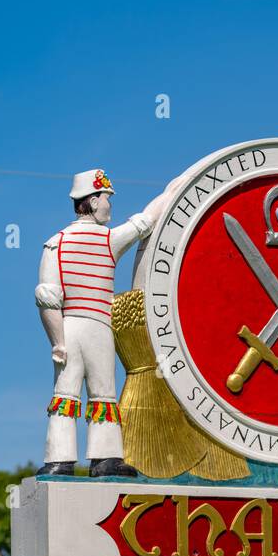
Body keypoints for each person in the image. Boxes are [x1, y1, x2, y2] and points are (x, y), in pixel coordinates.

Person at [35, 168, 174, 477]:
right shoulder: (109, 240)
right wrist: (172, 191)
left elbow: (47, 298)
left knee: (65, 394)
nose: (110, 205)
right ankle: (104, 458)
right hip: (98, 326)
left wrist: (57, 340)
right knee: (103, 393)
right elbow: (144, 222)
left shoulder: (55, 244)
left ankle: (60, 460)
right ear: (94, 201)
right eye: (107, 199)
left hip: (70, 326)